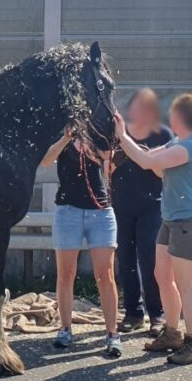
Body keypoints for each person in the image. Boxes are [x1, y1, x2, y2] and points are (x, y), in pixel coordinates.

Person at [113, 91, 192, 365]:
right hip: (171, 219)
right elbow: (152, 161)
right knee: (163, 276)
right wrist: (127, 145)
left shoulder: (190, 147)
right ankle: (172, 334)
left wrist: (121, 135)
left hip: (190, 222)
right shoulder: (178, 142)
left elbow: (147, 162)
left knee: (186, 285)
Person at [41, 131, 121, 358]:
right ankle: (65, 329)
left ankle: (113, 334)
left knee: (105, 275)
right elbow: (46, 161)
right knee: (65, 273)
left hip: (101, 212)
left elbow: (111, 167)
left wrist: (94, 150)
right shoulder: (62, 133)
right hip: (68, 211)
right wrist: (66, 138)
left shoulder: (100, 134)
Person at [110, 88, 172, 338]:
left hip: (151, 207)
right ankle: (133, 312)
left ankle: (157, 314)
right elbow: (107, 169)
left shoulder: (163, 135)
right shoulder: (117, 135)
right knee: (125, 260)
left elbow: (162, 172)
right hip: (121, 206)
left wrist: (141, 153)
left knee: (150, 261)